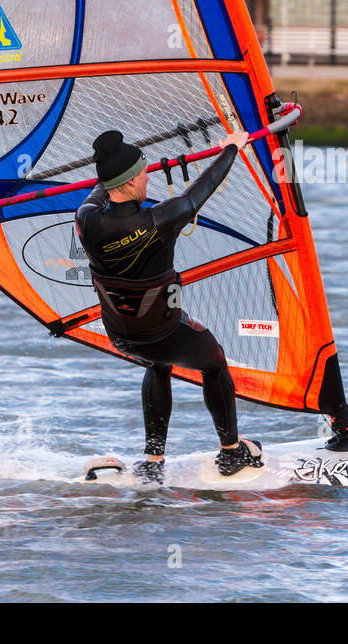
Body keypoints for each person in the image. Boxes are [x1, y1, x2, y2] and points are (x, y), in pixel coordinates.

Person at [75, 128, 263, 481]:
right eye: (143, 173)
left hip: (120, 332)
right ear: (130, 183)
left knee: (158, 364)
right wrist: (231, 150)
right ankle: (231, 452)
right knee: (214, 361)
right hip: (163, 330)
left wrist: (111, 172)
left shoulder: (85, 218)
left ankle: (154, 460)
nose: (148, 178)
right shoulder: (158, 220)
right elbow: (199, 193)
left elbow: (102, 188)